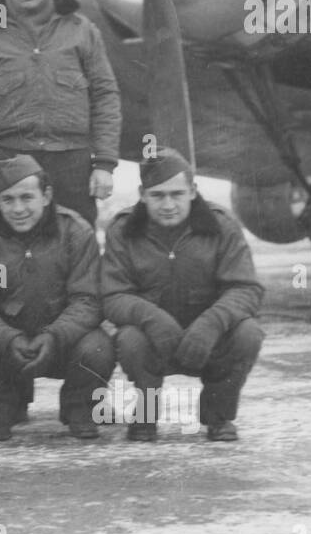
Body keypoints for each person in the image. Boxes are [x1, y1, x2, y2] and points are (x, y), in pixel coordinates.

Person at [0, 155, 114, 441]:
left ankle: (78, 408)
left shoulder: (76, 232)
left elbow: (88, 300)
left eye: (27, 197)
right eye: (8, 199)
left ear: (46, 196)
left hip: (62, 345)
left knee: (99, 347)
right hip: (7, 349)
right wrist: (7, 339)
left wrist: (54, 336)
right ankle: (2, 409)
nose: (18, 209)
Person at [101, 148, 265, 442]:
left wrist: (211, 325)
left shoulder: (222, 225)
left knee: (248, 334)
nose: (168, 204)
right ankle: (146, 415)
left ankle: (218, 416)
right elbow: (113, 295)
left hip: (209, 340)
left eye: (177, 194)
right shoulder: (123, 230)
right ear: (142, 193)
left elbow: (246, 288)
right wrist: (153, 320)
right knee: (129, 339)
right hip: (155, 341)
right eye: (157, 195)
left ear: (193, 191)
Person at [0, 0, 122, 226]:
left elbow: (105, 97)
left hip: (73, 164)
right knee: (12, 253)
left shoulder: (82, 31)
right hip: (13, 163)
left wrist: (105, 163)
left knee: (78, 247)